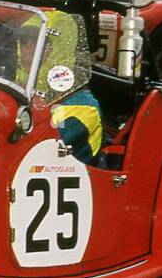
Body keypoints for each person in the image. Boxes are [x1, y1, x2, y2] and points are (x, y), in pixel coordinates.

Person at [15, 10, 103, 166]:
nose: (27, 49)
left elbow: (36, 146)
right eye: (24, 40)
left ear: (60, 50)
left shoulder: (83, 109)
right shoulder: (19, 92)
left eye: (40, 42)